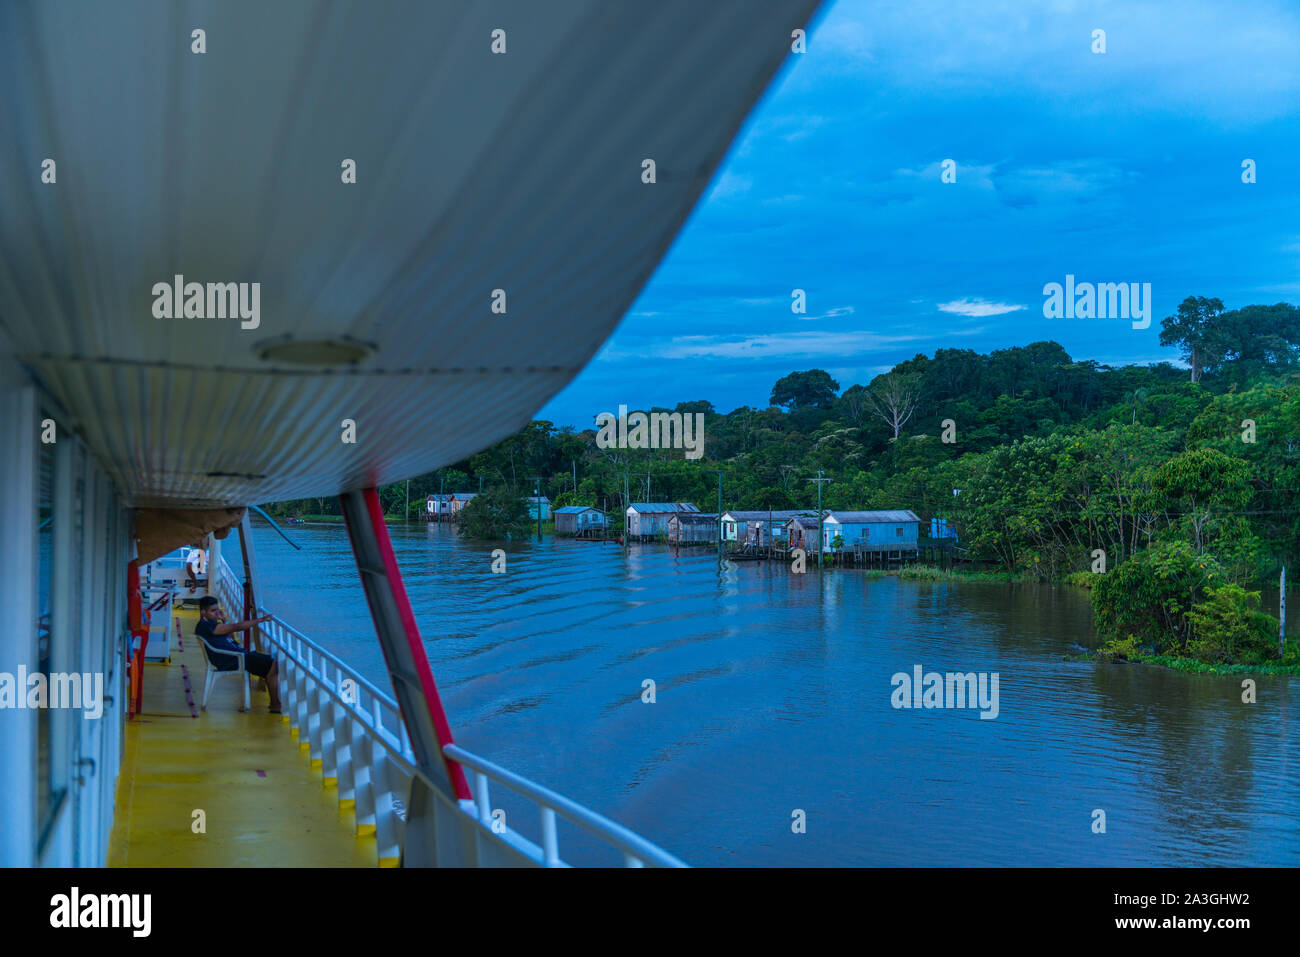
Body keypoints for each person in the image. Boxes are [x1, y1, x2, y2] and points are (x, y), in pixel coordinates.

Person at [194, 595, 280, 713]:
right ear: (203, 612)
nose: (216, 613)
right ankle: (275, 705)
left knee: (271, 664)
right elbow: (237, 627)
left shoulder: (212, 625)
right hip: (233, 660)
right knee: (274, 664)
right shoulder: (205, 626)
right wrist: (260, 620)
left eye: (217, 610)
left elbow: (230, 636)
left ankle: (275, 702)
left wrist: (224, 620)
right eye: (213, 611)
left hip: (236, 656)